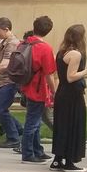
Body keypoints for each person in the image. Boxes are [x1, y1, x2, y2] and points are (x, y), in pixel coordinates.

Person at [50, 24, 87, 172]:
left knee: (62, 126)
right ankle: (69, 161)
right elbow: (71, 77)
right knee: (73, 126)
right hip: (71, 95)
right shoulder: (75, 54)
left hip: (62, 93)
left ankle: (58, 160)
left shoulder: (61, 52)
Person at [19, 16, 58, 164]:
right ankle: (28, 154)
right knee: (32, 123)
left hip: (26, 85)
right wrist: (54, 92)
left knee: (35, 121)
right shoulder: (45, 48)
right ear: (48, 31)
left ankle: (37, 150)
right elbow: (49, 74)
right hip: (38, 88)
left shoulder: (24, 43)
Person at [0, 18, 24, 151]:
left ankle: (13, 138)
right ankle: (19, 129)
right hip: (2, 81)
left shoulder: (13, 43)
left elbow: (5, 64)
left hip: (10, 81)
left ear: (7, 29)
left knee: (1, 110)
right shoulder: (3, 42)